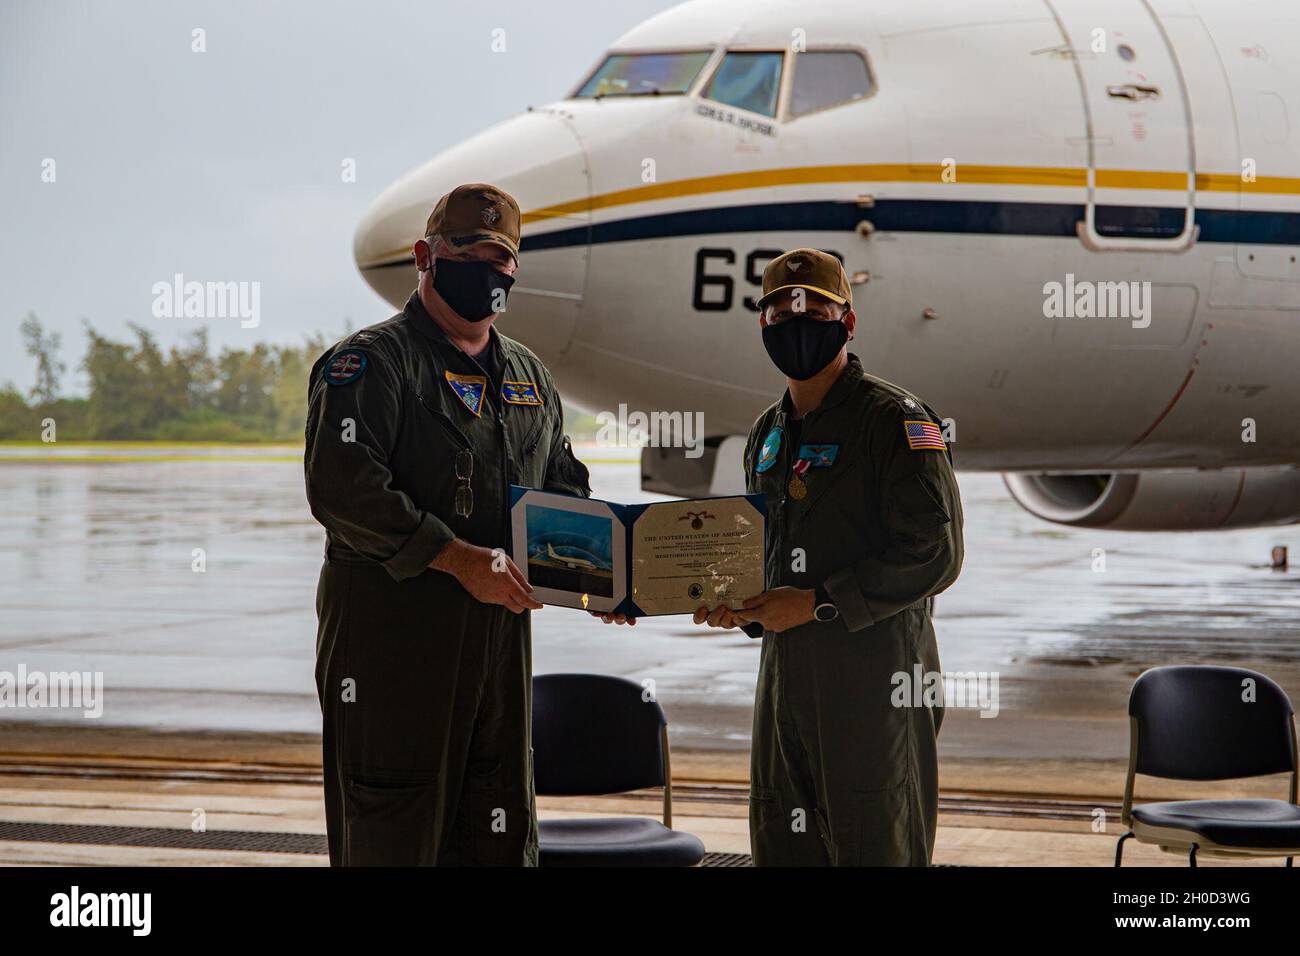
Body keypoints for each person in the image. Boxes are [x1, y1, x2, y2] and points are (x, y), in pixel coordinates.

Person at [305, 183, 591, 865]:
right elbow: (344, 490)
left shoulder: (529, 376)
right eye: (467, 253)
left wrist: (603, 575)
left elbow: (565, 484)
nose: (486, 271)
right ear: (425, 256)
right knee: (395, 833)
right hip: (394, 656)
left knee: (496, 828)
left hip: (499, 654)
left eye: (501, 259)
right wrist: (459, 558)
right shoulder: (370, 365)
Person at [695, 247, 964, 866]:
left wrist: (816, 604)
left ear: (848, 321)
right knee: (782, 844)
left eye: (815, 307)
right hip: (784, 686)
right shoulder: (768, 432)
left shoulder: (895, 422)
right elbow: (764, 552)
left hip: (874, 689)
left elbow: (936, 553)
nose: (796, 320)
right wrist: (743, 605)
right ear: (762, 324)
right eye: (780, 310)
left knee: (876, 845)